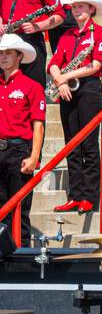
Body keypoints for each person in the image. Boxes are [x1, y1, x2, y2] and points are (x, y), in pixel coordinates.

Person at [47, 0, 102, 215]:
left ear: (91, 9)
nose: (76, 11)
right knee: (71, 144)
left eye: (81, 7)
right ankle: (74, 195)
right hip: (67, 89)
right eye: (74, 8)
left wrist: (66, 76)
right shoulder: (66, 35)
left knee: (89, 145)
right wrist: (59, 79)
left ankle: (90, 197)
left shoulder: (101, 33)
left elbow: (95, 66)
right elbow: (54, 63)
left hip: (89, 89)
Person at [0, 33, 44, 244]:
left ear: (19, 56)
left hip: (18, 150)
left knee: (19, 209)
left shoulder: (32, 86)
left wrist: (34, 155)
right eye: (1, 53)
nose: (3, 57)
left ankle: (21, 257)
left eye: (8, 53)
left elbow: (38, 124)